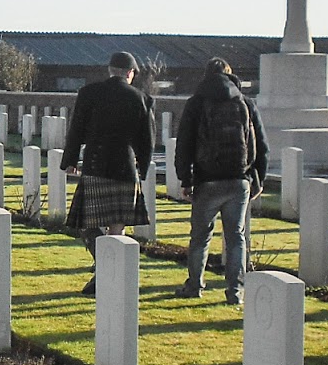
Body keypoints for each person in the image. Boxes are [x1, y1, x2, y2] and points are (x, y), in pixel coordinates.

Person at [173, 58, 268, 305]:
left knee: (200, 237)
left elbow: (184, 143)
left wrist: (185, 179)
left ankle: (195, 285)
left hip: (207, 179)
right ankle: (235, 291)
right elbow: (261, 145)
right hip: (239, 179)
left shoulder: (196, 103)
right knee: (236, 237)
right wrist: (258, 180)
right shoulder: (245, 102)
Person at [59, 50, 155, 294]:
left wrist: (70, 159)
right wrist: (143, 168)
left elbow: (76, 128)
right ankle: (108, 271)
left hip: (96, 164)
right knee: (117, 229)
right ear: (130, 73)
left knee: (86, 224)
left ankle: (104, 269)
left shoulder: (89, 93)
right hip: (125, 168)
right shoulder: (141, 98)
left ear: (110, 70)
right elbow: (147, 140)